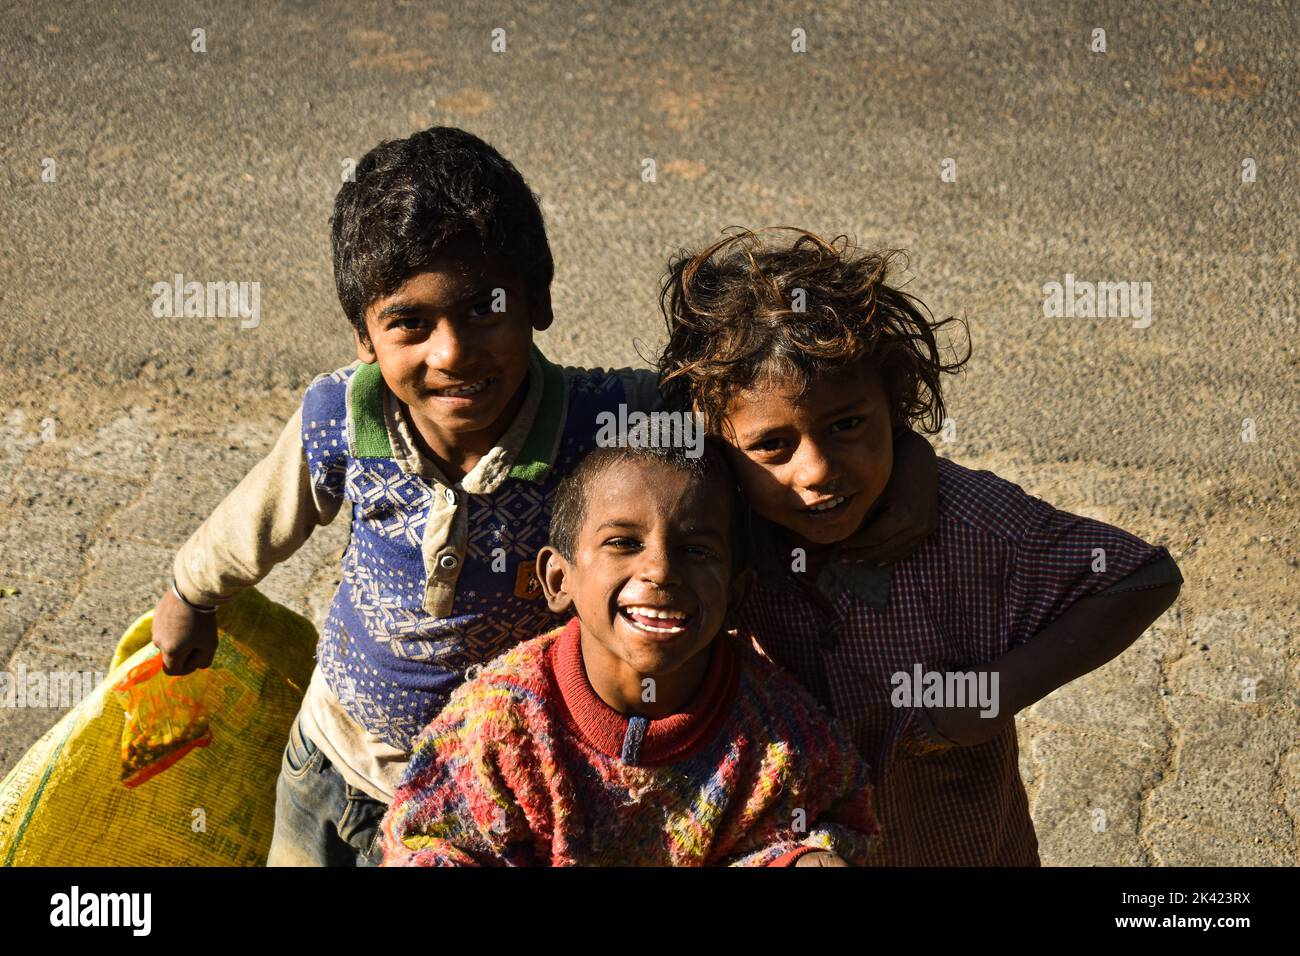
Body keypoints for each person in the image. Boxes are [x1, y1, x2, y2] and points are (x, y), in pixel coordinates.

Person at [148, 127, 660, 865]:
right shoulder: (342, 418)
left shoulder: (596, 422)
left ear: (537, 300)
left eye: (482, 308)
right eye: (410, 324)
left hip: (487, 800)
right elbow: (258, 516)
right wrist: (191, 594)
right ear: (364, 335)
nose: (451, 352)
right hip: (332, 763)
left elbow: (730, 405)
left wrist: (884, 458)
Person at [655, 227, 1183, 865]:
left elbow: (1141, 579)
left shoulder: (964, 521)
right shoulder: (723, 535)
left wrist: (987, 697)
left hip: (966, 846)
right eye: (773, 446)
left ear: (893, 407)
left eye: (848, 425)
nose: (817, 470)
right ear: (717, 446)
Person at [380, 443, 877, 866]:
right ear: (558, 579)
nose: (660, 570)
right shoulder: (498, 722)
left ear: (736, 593)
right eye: (623, 542)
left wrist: (806, 858)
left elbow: (838, 818)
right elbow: (427, 839)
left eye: (697, 550)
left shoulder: (779, 733)